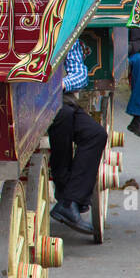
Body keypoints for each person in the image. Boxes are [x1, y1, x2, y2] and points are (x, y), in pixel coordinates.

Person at [47, 42, 105, 235]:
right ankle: (65, 191)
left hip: (63, 98)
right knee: (63, 116)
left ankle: (69, 201)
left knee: (96, 134)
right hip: (35, 102)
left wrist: (62, 83)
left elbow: (80, 74)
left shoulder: (67, 31)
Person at [126, 24, 140, 139]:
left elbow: (139, 42)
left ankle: (138, 115)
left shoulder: (133, 10)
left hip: (125, 53)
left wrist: (124, 48)